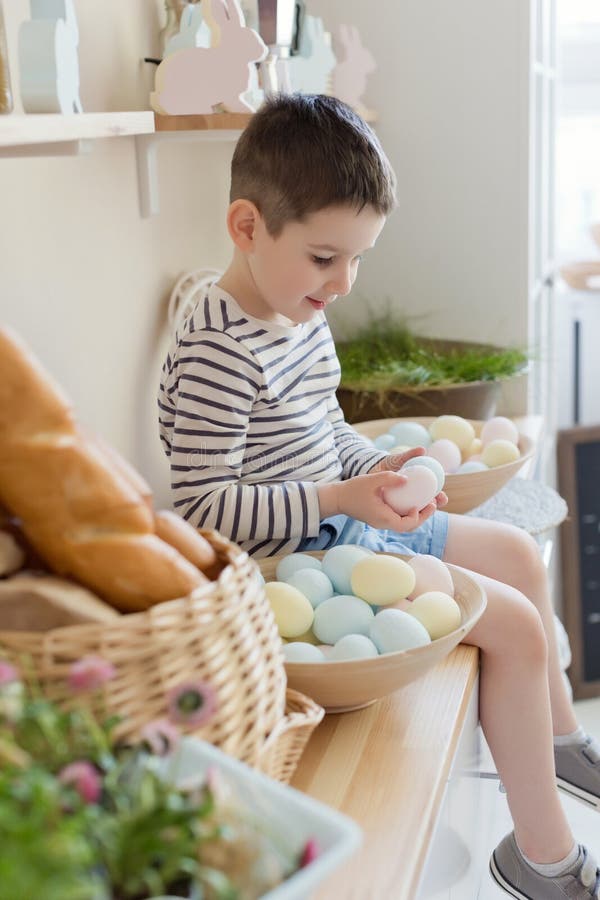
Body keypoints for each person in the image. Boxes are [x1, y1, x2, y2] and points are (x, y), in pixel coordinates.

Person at [158, 93, 600, 899]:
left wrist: (376, 472)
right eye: (326, 257)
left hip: (340, 521)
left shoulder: (300, 312)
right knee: (517, 628)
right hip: (296, 557)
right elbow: (204, 506)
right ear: (248, 227)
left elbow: (327, 426)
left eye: (358, 259)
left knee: (512, 554)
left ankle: (561, 738)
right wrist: (342, 496)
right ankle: (546, 861)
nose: (343, 282)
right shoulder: (220, 347)